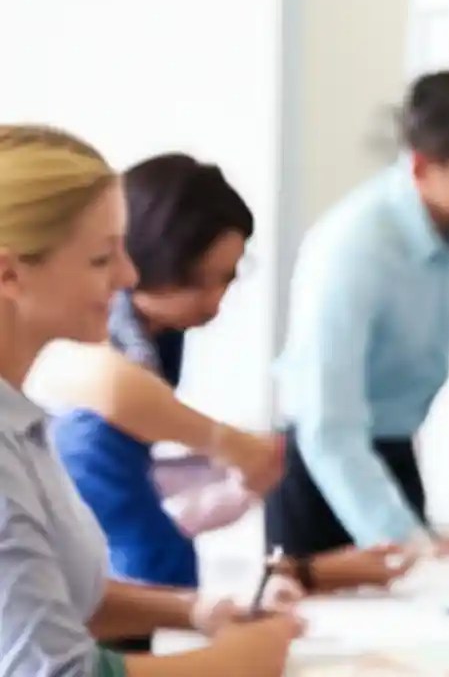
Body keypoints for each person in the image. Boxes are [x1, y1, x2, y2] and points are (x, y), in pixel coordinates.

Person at [27, 153, 417, 651]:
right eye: (104, 260)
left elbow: (151, 512)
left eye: (229, 279)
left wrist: (302, 571)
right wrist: (227, 445)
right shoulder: (85, 363)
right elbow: (114, 397)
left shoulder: (157, 340)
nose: (214, 302)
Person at [0, 125, 302, 676]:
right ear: (8, 274)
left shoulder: (21, 424)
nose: (129, 276)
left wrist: (197, 611)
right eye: (101, 259)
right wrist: (233, 664)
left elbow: (55, 597)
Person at [269, 71, 449, 560]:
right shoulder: (354, 251)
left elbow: (415, 318)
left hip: (393, 455)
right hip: (328, 472)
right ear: (422, 167)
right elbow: (328, 428)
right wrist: (408, 544)